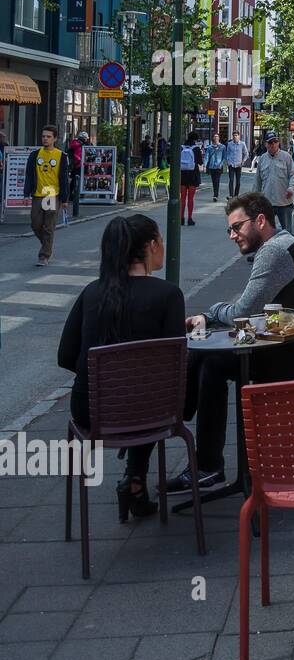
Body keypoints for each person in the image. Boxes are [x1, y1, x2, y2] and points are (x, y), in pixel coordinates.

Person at [169, 192, 294, 490]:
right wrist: (214, 318)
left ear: (260, 220)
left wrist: (210, 313)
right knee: (208, 360)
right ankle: (199, 447)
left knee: (212, 362)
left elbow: (243, 310)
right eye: (229, 229)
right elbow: (252, 305)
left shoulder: (274, 252)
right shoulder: (282, 243)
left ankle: (198, 448)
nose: (231, 235)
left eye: (236, 227)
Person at [57, 214, 183, 520]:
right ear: (152, 245)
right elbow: (175, 364)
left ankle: (135, 482)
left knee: (140, 397)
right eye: (161, 241)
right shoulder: (168, 295)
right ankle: (136, 479)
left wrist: (105, 383)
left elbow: (65, 355)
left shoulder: (91, 293)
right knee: (156, 393)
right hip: (152, 411)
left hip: (92, 411)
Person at [24, 124, 70, 266]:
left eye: (48, 137)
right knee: (35, 224)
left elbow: (64, 178)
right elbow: (29, 175)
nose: (45, 139)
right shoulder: (35, 155)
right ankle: (47, 244)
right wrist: (26, 193)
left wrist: (64, 199)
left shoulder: (61, 156)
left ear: (55, 139)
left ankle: (44, 256)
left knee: (48, 226)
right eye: (43, 136)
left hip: (51, 194)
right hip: (38, 194)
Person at [251, 131, 294, 231]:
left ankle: (287, 247)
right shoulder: (262, 159)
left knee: (287, 232)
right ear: (266, 144)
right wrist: (254, 199)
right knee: (266, 231)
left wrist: (291, 188)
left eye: (275, 141)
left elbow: (293, 175)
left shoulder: (286, 157)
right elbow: (257, 181)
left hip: (283, 202)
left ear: (278, 143)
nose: (273, 144)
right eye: (270, 142)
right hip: (267, 202)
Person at [178, 134, 201, 226]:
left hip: (182, 175)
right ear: (195, 139)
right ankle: (190, 218)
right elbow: (200, 162)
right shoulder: (196, 149)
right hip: (193, 175)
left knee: (182, 198)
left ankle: (181, 218)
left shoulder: (181, 147)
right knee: (191, 198)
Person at [224, 131, 249, 197]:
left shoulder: (242, 144)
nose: (235, 137)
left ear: (239, 136)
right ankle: (231, 195)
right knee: (231, 180)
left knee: (238, 182)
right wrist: (228, 161)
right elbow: (227, 153)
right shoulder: (229, 144)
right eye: (234, 135)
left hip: (238, 165)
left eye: (236, 135)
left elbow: (246, 154)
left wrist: (243, 162)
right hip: (231, 165)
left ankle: (236, 195)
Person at [68, 131, 86, 219]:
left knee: (78, 180)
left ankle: (77, 194)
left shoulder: (81, 144)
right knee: (75, 180)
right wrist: (79, 160)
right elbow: (74, 152)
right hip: (77, 164)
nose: (86, 139)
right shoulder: (76, 143)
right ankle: (71, 195)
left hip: (81, 164)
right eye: (85, 138)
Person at [204, 135, 226, 202]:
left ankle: (215, 195)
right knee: (214, 181)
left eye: (217, 137)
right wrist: (204, 166)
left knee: (217, 180)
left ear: (219, 138)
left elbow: (224, 157)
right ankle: (215, 194)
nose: (216, 138)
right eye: (214, 137)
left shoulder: (223, 147)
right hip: (212, 166)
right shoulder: (209, 147)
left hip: (218, 166)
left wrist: (221, 164)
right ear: (213, 138)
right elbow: (206, 157)